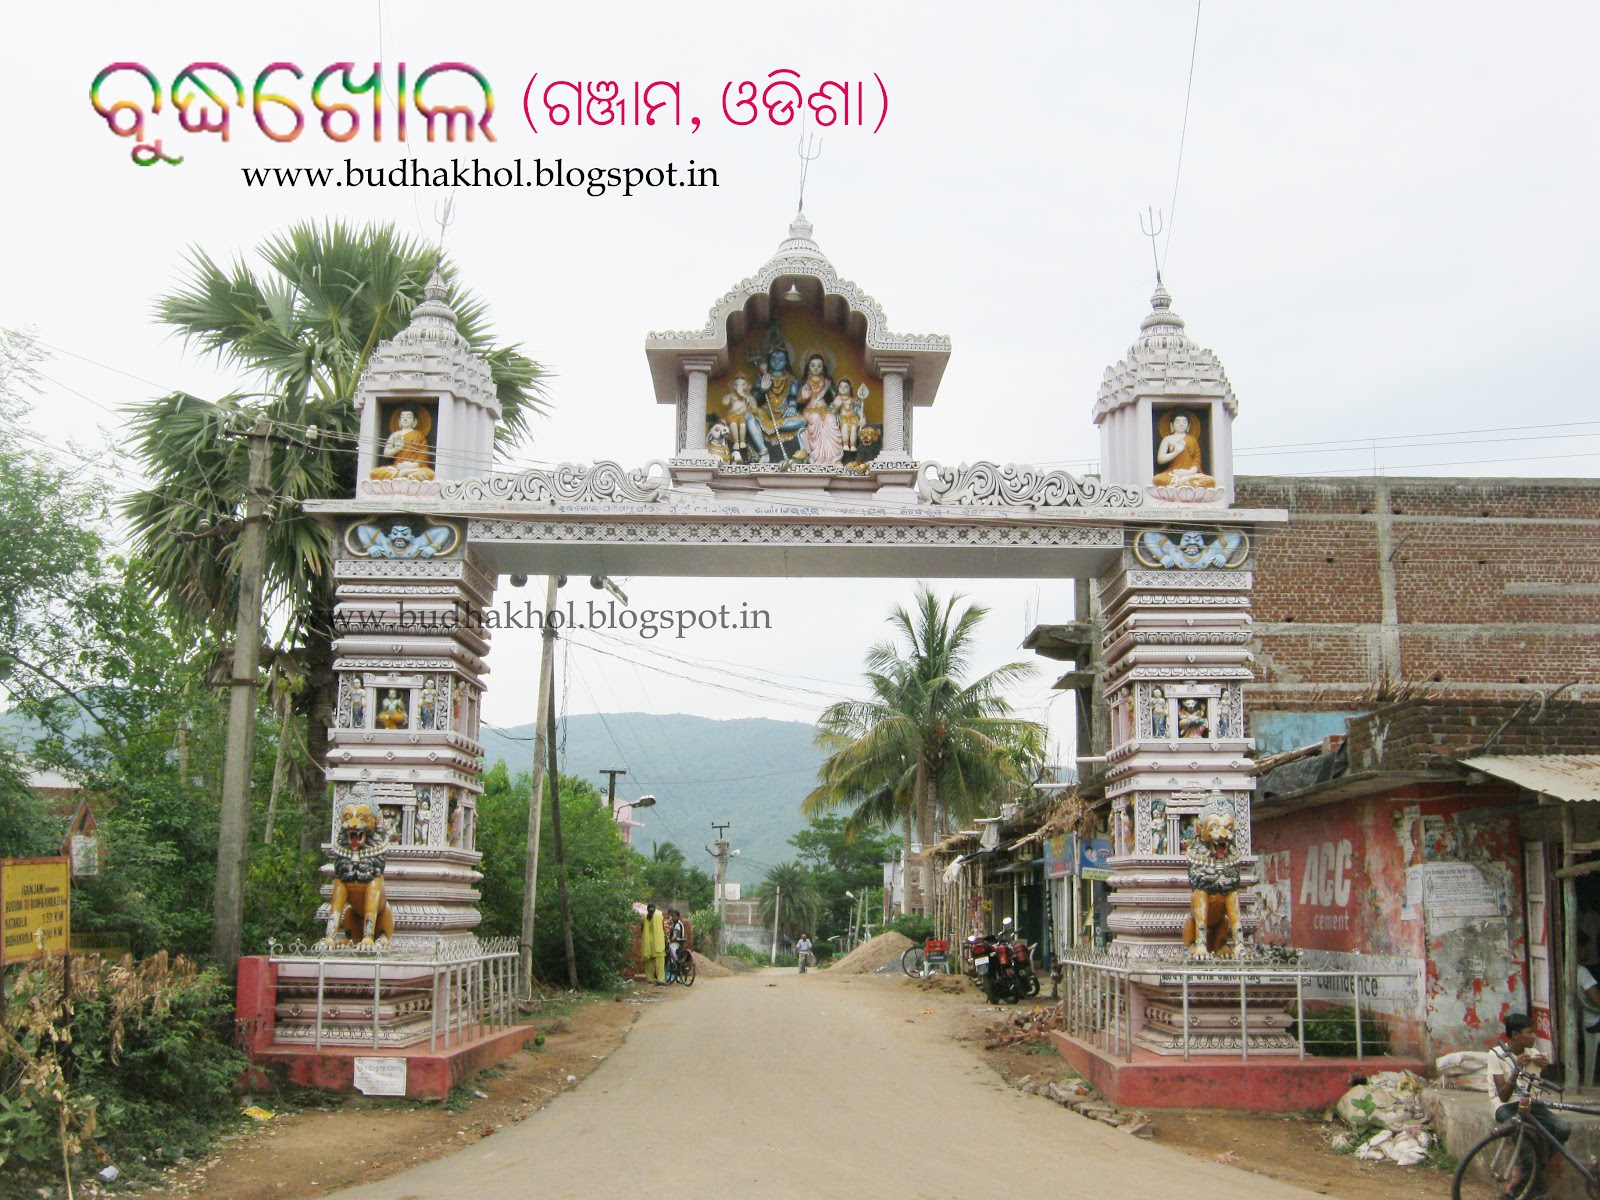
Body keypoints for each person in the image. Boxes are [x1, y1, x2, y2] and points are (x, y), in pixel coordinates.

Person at [1488, 1012, 1568, 1195]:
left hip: (1530, 1104)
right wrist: (1516, 1070)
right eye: (1529, 1032)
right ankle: (1532, 1184)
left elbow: (1538, 1086)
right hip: (1506, 1106)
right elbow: (1503, 1096)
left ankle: (1535, 1170)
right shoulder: (1497, 1055)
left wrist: (1544, 1067)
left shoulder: (1533, 1054)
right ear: (1515, 1035)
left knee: (1562, 1129)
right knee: (1525, 1145)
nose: (1534, 1036)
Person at [641, 903, 666, 985]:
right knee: (660, 960)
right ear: (655, 909)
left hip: (648, 942)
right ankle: (660, 979)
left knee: (648, 961)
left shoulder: (644, 917)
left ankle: (650, 979)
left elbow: (642, 929)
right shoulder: (659, 916)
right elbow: (662, 927)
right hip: (658, 941)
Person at [665, 908, 686, 978]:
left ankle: (673, 970)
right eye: (672, 916)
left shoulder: (677, 925)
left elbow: (677, 936)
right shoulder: (675, 924)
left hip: (675, 944)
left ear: (678, 917)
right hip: (677, 943)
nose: (673, 917)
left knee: (669, 953)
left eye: (674, 916)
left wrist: (670, 941)